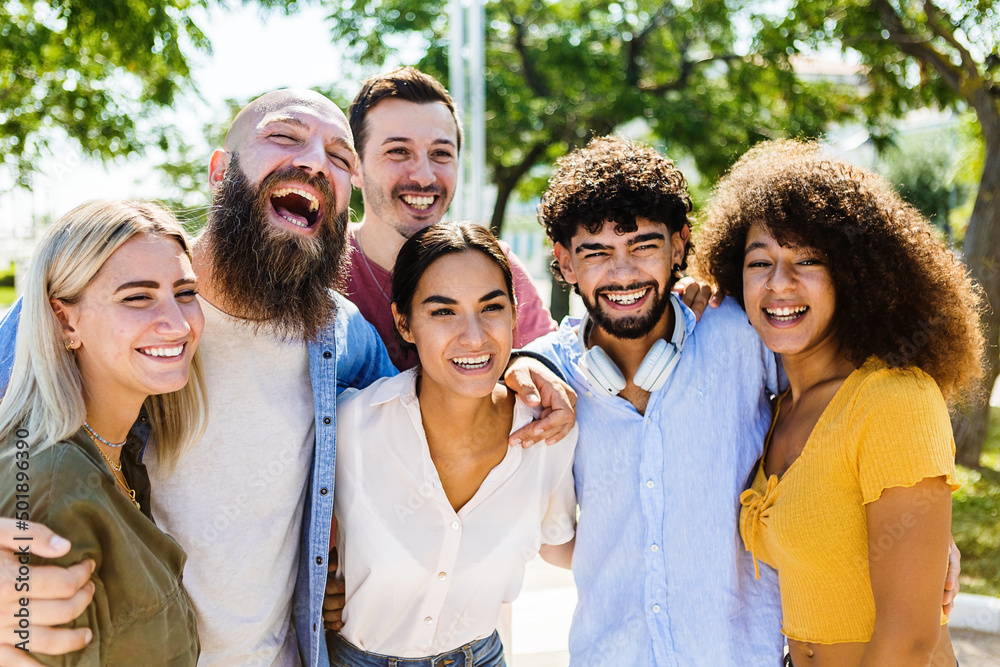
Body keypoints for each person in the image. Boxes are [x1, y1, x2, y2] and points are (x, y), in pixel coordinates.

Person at [0, 89, 575, 667]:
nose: (316, 162)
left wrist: (531, 365)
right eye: (284, 136)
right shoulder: (97, 309)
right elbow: (17, 449)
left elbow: (436, 412)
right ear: (221, 171)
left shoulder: (342, 337)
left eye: (340, 156)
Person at [696, 140, 984, 666]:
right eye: (760, 262)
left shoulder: (893, 399)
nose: (780, 284)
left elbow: (909, 639)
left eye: (808, 260)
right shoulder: (777, 407)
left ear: (854, 276)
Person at [523, 135, 786, 665]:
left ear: (680, 244)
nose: (622, 274)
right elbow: (549, 540)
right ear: (564, 263)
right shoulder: (542, 376)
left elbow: (847, 408)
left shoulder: (745, 334)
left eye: (643, 245)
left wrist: (919, 525)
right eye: (595, 252)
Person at [328, 222, 576, 666]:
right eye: (443, 312)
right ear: (404, 323)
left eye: (491, 307)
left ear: (515, 313)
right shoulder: (350, 427)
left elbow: (560, 544)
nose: (475, 336)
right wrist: (313, 588)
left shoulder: (550, 434)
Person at [0, 200, 206, 664]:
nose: (177, 323)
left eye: (186, 292)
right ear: (64, 319)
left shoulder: (125, 453)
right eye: (138, 297)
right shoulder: (49, 484)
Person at [343, 67, 556, 368]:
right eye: (399, 151)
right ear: (354, 166)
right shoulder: (317, 265)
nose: (423, 176)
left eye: (441, 153)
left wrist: (525, 365)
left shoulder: (494, 263)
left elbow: (549, 359)